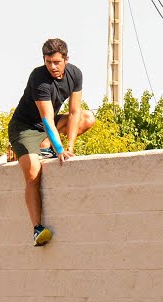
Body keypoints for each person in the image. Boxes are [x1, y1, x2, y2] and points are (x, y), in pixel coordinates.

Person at [8, 38, 97, 246]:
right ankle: (37, 229)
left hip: (48, 129)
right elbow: (47, 117)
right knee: (33, 172)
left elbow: (74, 111)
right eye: (48, 62)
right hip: (26, 128)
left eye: (56, 62)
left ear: (66, 59)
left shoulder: (75, 74)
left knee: (87, 118)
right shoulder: (38, 77)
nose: (52, 67)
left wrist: (69, 149)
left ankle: (44, 146)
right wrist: (59, 149)